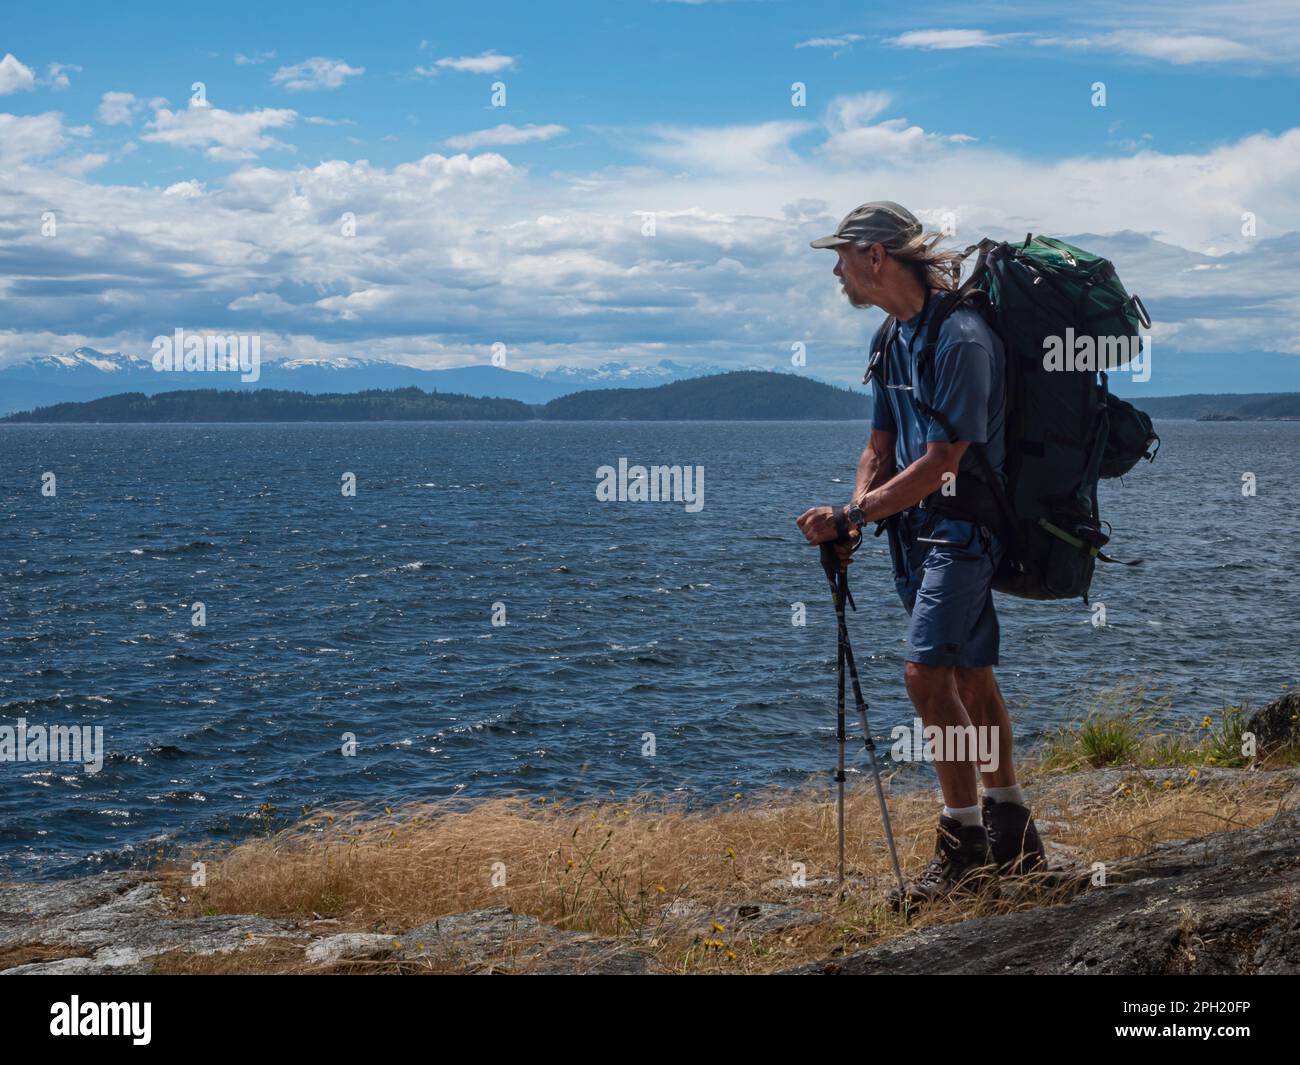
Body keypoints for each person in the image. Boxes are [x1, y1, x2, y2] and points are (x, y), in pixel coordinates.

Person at [797, 201, 1045, 908]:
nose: (836, 271)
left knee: (923, 674)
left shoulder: (961, 337)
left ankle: (963, 846)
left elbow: (943, 462)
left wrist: (852, 514)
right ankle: (1015, 833)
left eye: (840, 256)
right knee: (968, 674)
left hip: (963, 528)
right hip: (918, 531)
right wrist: (856, 514)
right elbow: (879, 446)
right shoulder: (893, 335)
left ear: (876, 254)